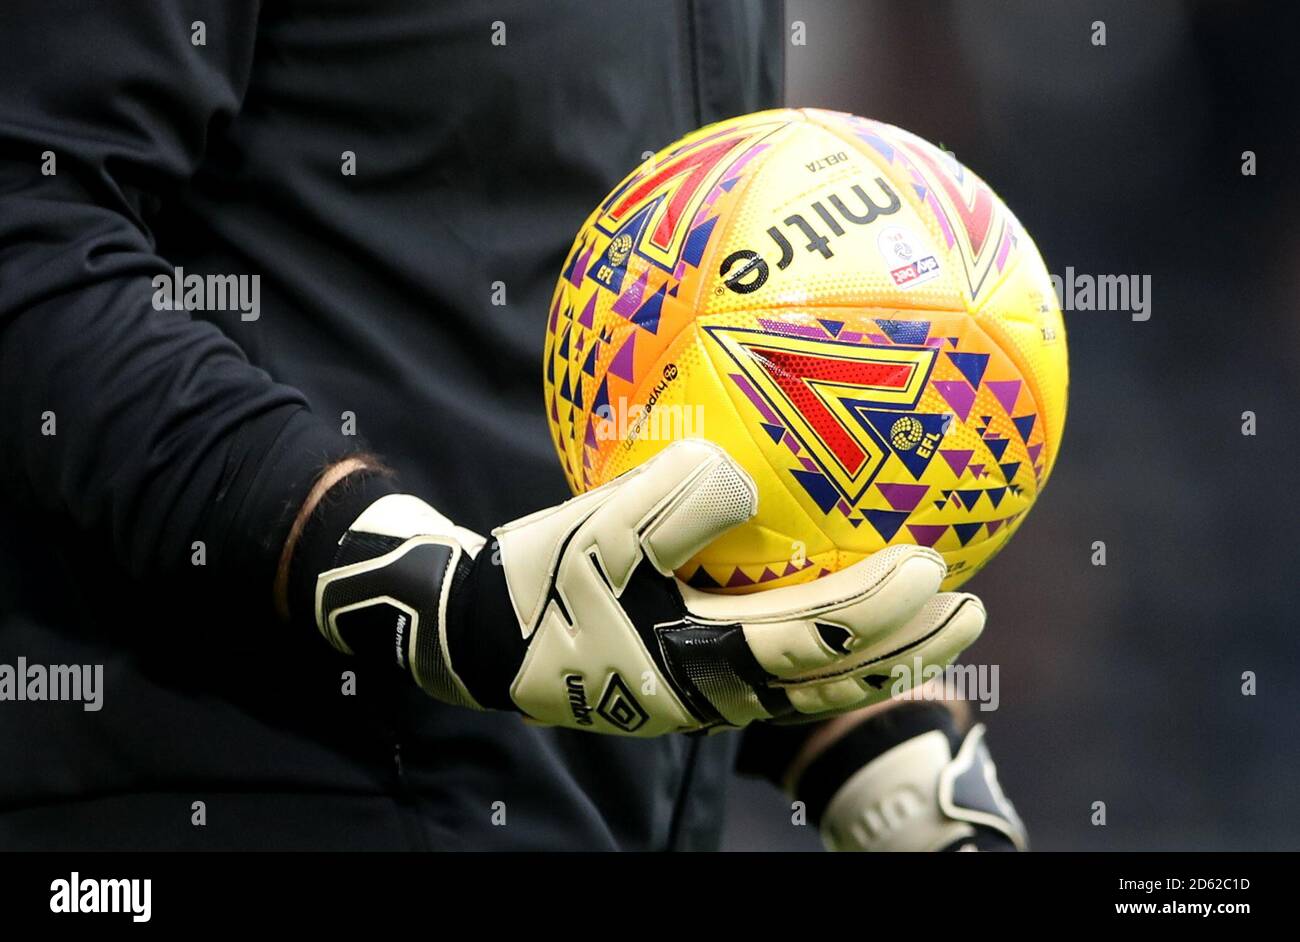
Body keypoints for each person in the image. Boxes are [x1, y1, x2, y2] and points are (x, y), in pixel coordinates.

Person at [0, 0, 1023, 851]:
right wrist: (417, 586)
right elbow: (31, 229)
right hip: (250, 787)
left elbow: (632, 355)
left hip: (588, 809)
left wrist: (869, 738)